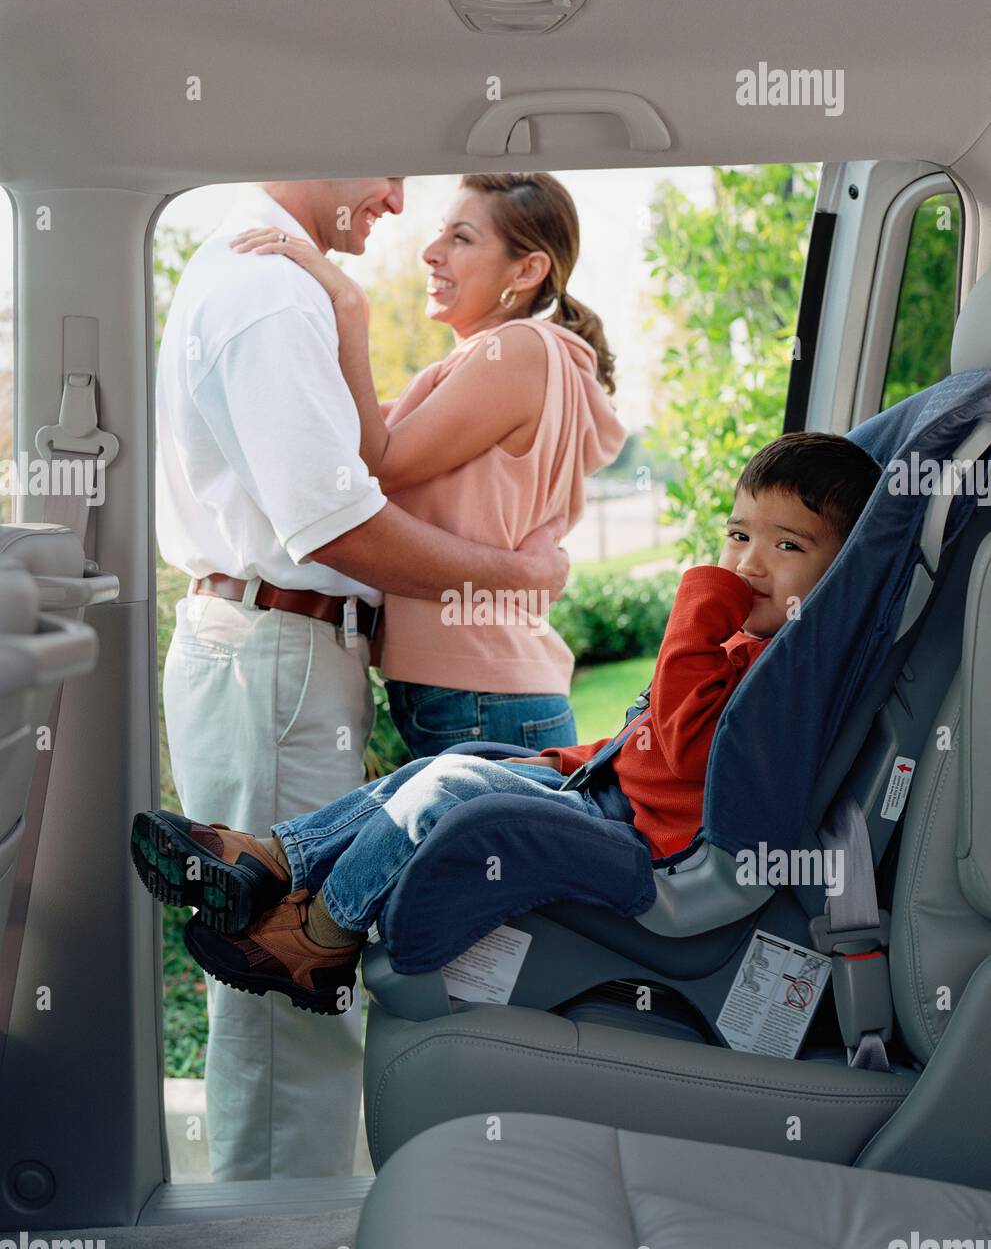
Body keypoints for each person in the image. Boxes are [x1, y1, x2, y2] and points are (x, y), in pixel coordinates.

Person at [138, 431, 881, 1015]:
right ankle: (273, 861)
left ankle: (319, 940)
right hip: (608, 795)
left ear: (842, 573)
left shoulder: (777, 675)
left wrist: (698, 604)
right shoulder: (752, 648)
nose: (748, 563)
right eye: (737, 536)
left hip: (660, 851)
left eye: (787, 545)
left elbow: (685, 756)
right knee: (434, 768)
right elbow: (651, 735)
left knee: (448, 794)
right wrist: (570, 761)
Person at [155, 178, 569, 1181]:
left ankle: (306, 1213)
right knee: (281, 987)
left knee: (293, 976)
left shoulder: (286, 281)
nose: (394, 199)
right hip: (275, 649)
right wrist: (515, 576)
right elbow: (338, 522)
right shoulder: (272, 290)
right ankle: (278, 1240)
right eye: (384, 167)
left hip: (280, 650)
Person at [228, 173, 625, 760]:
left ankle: (273, 858)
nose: (430, 252)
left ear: (526, 271)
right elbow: (349, 430)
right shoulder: (486, 360)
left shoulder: (516, 352)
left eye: (461, 238)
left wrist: (349, 306)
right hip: (480, 688)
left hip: (482, 690)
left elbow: (375, 460)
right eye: (441, 233)